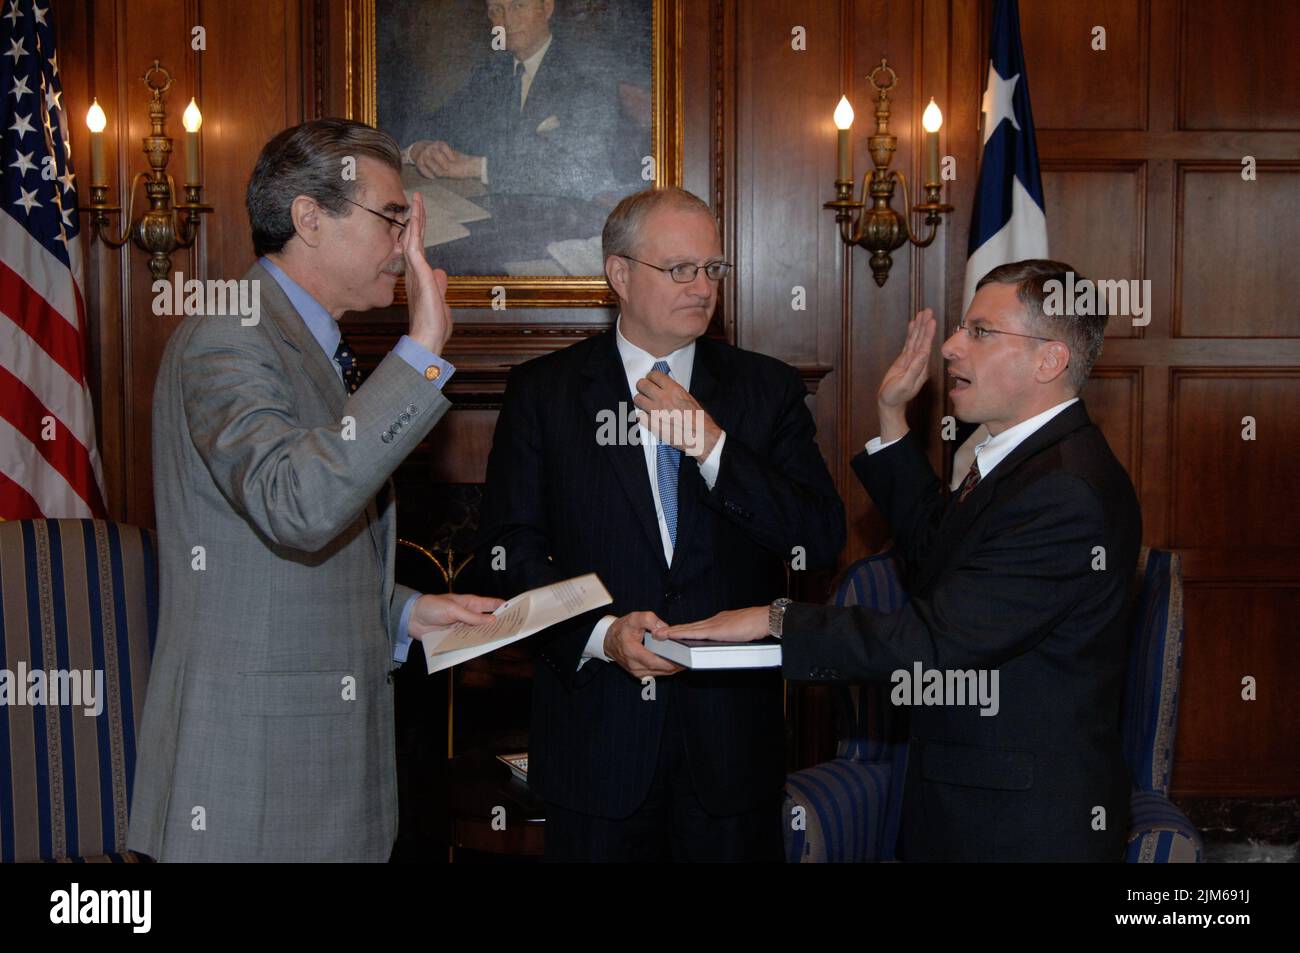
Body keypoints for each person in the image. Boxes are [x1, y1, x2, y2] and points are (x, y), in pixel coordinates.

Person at [669, 259, 1141, 862]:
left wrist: (779, 617)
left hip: (1020, 830)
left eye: (980, 331)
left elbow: (937, 637)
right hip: (974, 810)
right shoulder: (1028, 463)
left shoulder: (1065, 490)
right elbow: (932, 559)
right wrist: (893, 416)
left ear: (1049, 361)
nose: (950, 346)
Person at [127, 119, 502, 862]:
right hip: (252, 783)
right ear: (309, 217)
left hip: (323, 774)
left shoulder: (315, 345)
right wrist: (421, 351)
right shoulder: (227, 334)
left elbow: (298, 555)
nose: (406, 243)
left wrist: (405, 611)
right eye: (393, 218)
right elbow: (294, 502)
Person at [476, 187, 846, 861]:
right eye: (680, 269)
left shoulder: (766, 390)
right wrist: (601, 633)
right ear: (620, 274)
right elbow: (507, 553)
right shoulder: (546, 392)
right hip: (596, 746)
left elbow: (818, 538)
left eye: (713, 269)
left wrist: (713, 446)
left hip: (731, 754)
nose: (702, 287)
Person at [405, 0, 619, 202]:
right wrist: (419, 148)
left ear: (547, 7)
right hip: (495, 216)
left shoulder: (586, 73)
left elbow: (584, 170)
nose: (507, 21)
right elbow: (438, 122)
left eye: (518, 5)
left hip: (563, 225)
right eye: (496, 9)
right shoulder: (492, 71)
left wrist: (477, 167)